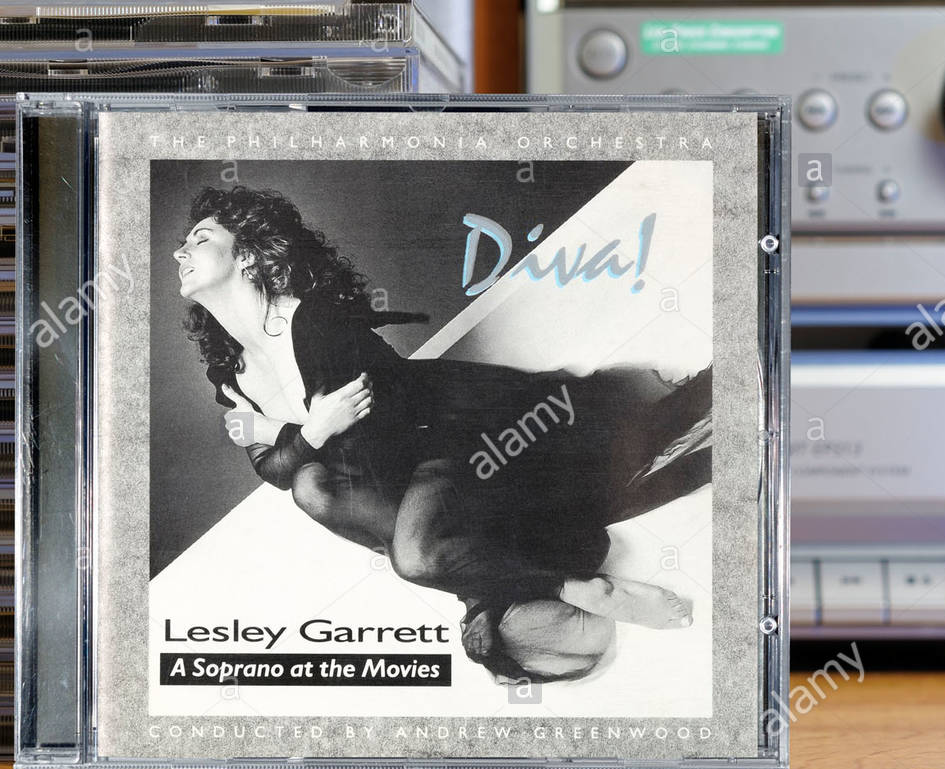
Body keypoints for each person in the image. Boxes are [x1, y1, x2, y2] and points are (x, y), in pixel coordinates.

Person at [173, 184, 712, 683]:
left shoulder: (314, 321)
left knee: (409, 556)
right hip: (402, 478)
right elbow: (272, 470)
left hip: (458, 438)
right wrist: (310, 429)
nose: (180, 254)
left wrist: (284, 432)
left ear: (247, 254)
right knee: (312, 487)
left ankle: (566, 588)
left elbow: (374, 440)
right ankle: (516, 581)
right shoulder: (229, 374)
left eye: (199, 239)